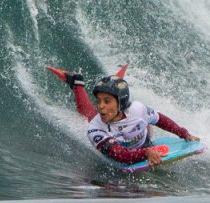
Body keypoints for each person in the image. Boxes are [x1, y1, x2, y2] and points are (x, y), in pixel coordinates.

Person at [49, 67, 199, 167]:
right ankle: (76, 82)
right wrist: (146, 153)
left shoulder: (138, 109)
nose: (101, 106)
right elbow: (120, 155)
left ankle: (114, 83)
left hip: (142, 141)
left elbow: (160, 120)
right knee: (89, 115)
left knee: (141, 121)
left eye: (107, 101)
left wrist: (183, 133)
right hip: (126, 151)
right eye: (99, 101)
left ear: (121, 103)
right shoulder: (95, 129)